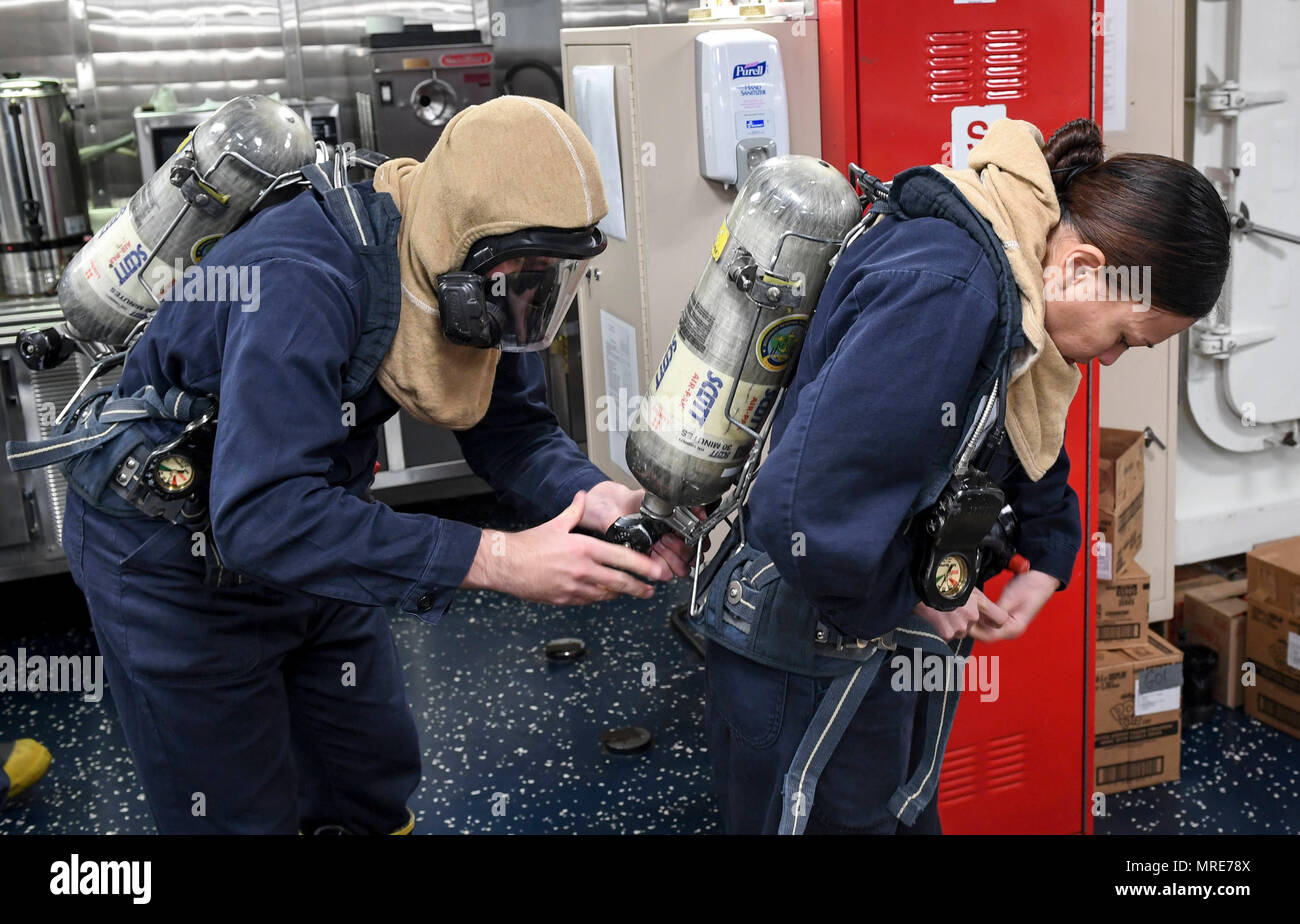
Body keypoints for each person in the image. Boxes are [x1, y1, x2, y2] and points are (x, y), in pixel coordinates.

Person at [29, 97, 691, 834]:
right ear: (459, 239)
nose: (530, 300)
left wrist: (593, 495)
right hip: (170, 558)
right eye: (522, 274)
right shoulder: (300, 278)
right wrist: (496, 556)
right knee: (237, 815)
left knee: (366, 778)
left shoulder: (467, 260)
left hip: (320, 520)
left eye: (554, 276)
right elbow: (261, 515)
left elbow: (513, 430)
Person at [697, 118, 1230, 834]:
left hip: (856, 639)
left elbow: (1013, 411)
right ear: (1080, 267)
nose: (1109, 361)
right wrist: (914, 599)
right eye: (1125, 339)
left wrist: (1049, 549)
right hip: (801, 647)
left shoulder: (1009, 265)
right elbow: (808, 516)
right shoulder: (947, 289)